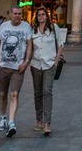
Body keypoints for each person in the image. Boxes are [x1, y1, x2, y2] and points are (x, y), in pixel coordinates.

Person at [0, 6, 33, 138]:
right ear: (10, 14)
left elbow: (29, 45)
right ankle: (3, 117)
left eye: (19, 14)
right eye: (15, 13)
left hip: (18, 68)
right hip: (3, 66)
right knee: (2, 94)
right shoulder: (3, 27)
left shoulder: (26, 27)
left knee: (14, 94)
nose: (17, 16)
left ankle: (11, 122)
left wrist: (26, 62)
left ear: (22, 15)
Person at [29, 8, 63, 137]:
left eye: (43, 14)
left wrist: (56, 61)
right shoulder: (33, 30)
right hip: (36, 65)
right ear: (36, 17)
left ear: (47, 16)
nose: (41, 16)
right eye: (39, 15)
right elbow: (30, 47)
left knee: (47, 92)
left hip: (49, 65)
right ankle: (39, 120)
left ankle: (47, 123)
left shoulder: (54, 28)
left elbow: (60, 44)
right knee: (38, 93)